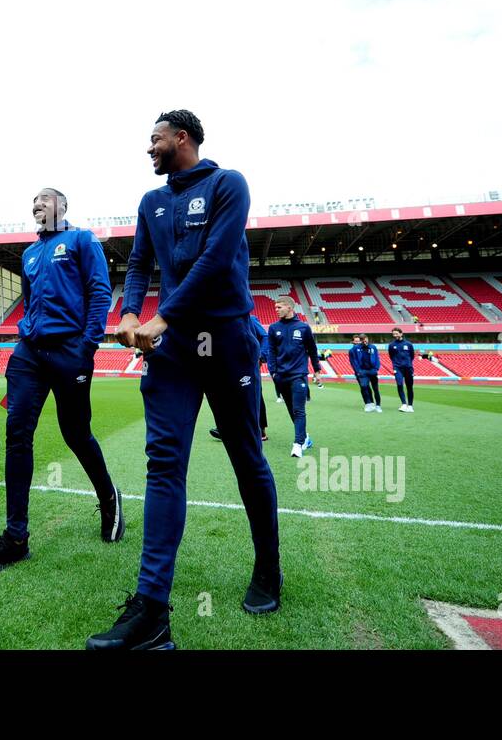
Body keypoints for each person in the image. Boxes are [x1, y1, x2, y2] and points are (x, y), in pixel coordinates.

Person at [87, 110, 282, 651]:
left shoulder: (228, 184)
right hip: (173, 353)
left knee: (246, 457)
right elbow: (138, 265)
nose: (148, 148)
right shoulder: (151, 202)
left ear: (182, 137)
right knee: (164, 462)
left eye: (154, 138)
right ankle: (152, 612)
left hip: (225, 342)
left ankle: (268, 568)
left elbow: (218, 260)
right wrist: (129, 314)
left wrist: (162, 317)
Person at [0, 187, 123, 574]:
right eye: (33, 201)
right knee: (17, 431)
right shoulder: (29, 253)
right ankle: (16, 537)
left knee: (76, 434)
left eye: (44, 199)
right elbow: (29, 297)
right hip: (29, 354)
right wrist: (25, 336)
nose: (36, 204)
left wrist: (87, 346)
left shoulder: (81, 239)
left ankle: (109, 497)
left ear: (63, 206)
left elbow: (100, 292)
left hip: (71, 351)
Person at [268, 296, 321, 456]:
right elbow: (271, 351)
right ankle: (305, 438)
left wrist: (317, 371)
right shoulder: (273, 328)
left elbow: (312, 350)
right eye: (275, 307)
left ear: (289, 308)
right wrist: (273, 372)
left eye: (279, 307)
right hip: (281, 376)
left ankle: (298, 444)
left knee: (298, 410)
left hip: (298, 375)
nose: (276, 310)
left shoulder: (303, 327)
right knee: (292, 410)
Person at [210, 313, 270, 442]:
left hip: (248, 363)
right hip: (230, 364)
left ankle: (260, 429)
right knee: (229, 396)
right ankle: (226, 429)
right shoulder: (223, 320)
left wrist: (261, 356)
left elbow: (265, 336)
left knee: (254, 395)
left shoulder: (250, 319)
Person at [349, 332, 382, 412]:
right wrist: (358, 371)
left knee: (375, 389)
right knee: (364, 387)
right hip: (362, 371)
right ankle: (368, 404)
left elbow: (377, 358)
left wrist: (376, 368)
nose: (365, 341)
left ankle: (378, 405)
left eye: (366, 339)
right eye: (363, 340)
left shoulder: (373, 347)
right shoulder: (354, 349)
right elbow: (353, 362)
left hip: (372, 371)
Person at [389, 327, 416, 413]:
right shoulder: (392, 345)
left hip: (408, 368)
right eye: (394, 334)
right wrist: (395, 365)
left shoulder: (408, 344)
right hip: (398, 368)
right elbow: (391, 356)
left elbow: (412, 355)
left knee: (409, 387)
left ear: (401, 333)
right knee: (399, 384)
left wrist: (408, 364)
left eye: (396, 333)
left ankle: (410, 406)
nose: (395, 335)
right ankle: (404, 404)